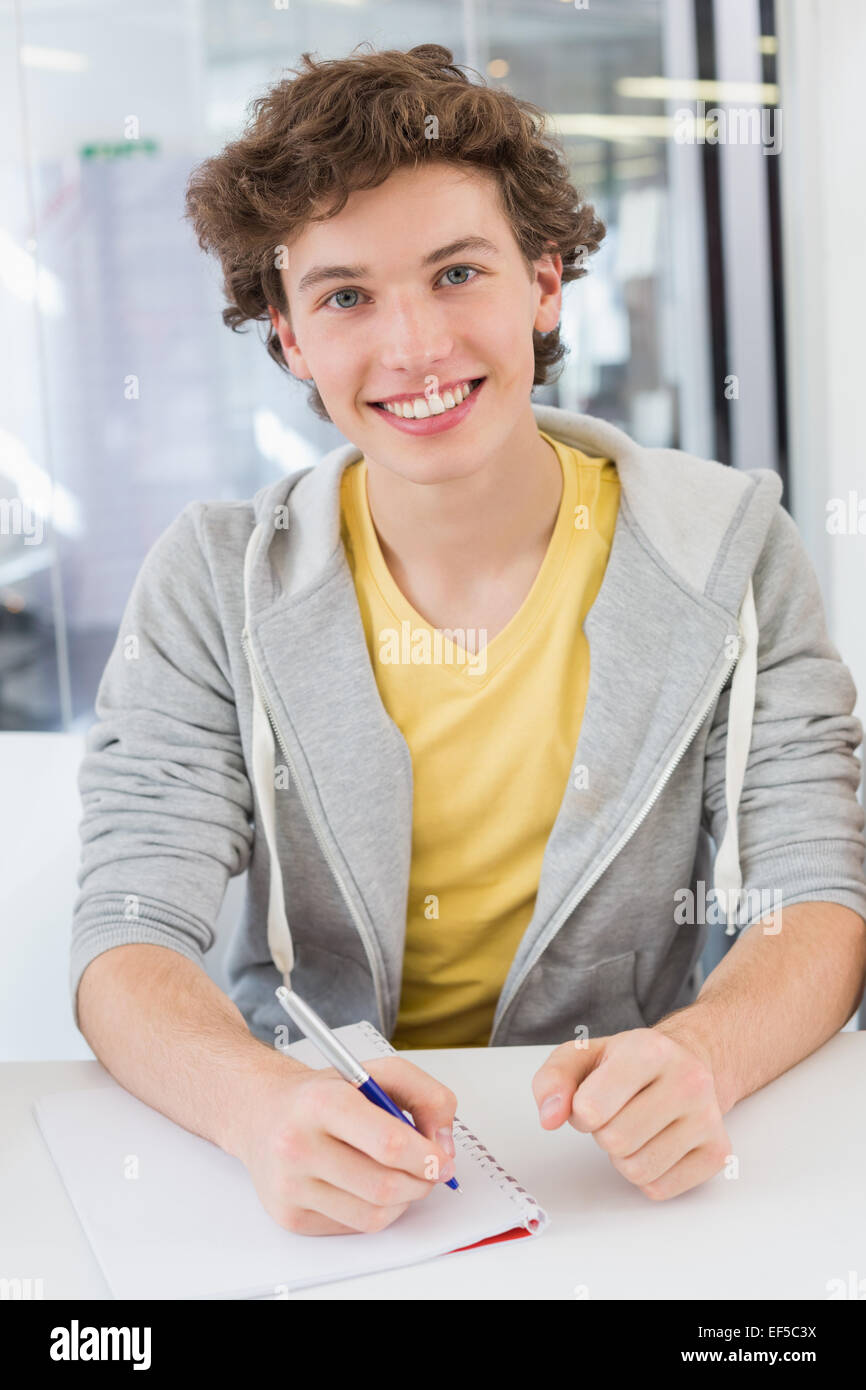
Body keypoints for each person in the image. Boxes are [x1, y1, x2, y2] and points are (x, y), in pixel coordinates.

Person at [72, 43, 866, 1235]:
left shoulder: (731, 550)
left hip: (614, 1172)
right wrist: (255, 1103)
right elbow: (126, 932)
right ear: (288, 337)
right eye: (344, 295)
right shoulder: (210, 579)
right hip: (313, 1161)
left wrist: (706, 1051)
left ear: (543, 285)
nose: (414, 348)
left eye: (455, 273)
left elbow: (816, 893)